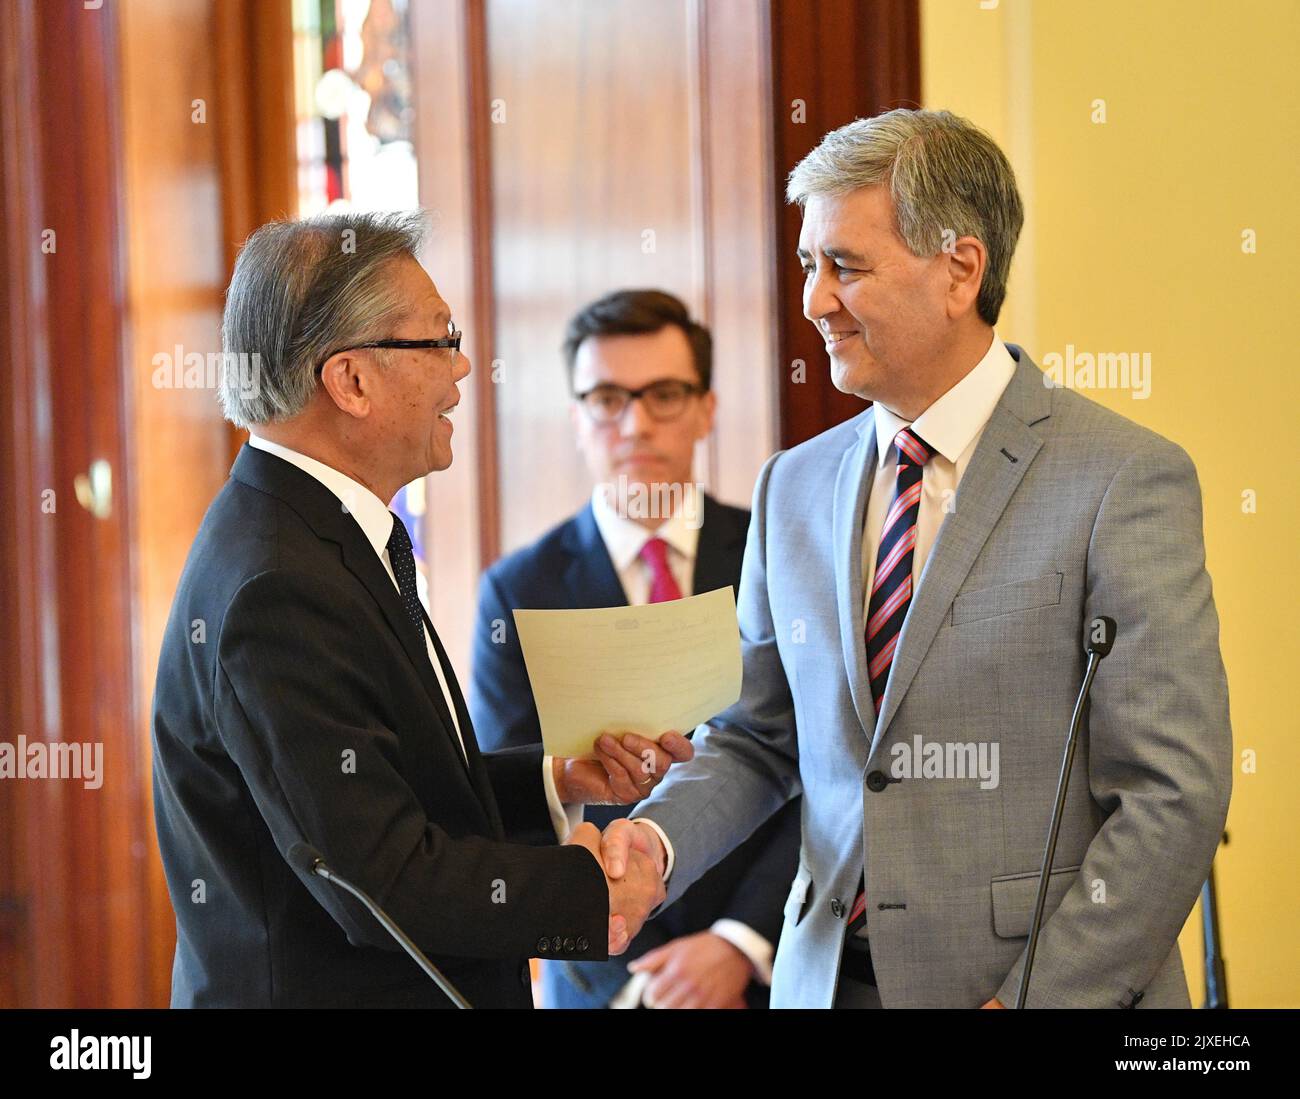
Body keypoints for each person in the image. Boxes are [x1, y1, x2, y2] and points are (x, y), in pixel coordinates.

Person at [602, 109, 1233, 1009]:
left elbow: (1174, 794)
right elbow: (754, 736)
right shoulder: (792, 485)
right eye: (808, 267)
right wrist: (652, 849)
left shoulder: (1125, 479)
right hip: (822, 984)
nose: (815, 299)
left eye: (844, 267)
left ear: (960, 270)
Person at [151, 212, 690, 1008]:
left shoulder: (313, 531)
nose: (463, 366)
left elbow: (381, 786)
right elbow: (383, 878)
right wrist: (591, 890)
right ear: (352, 381)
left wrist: (550, 780)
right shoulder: (277, 584)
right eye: (439, 339)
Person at [471, 289, 800, 1008]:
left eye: (666, 394)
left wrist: (739, 941)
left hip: (770, 971)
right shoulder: (517, 590)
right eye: (608, 398)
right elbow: (519, 799)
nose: (636, 422)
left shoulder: (776, 552)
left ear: (707, 407)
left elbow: (816, 764)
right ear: (576, 419)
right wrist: (634, 978)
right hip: (599, 977)